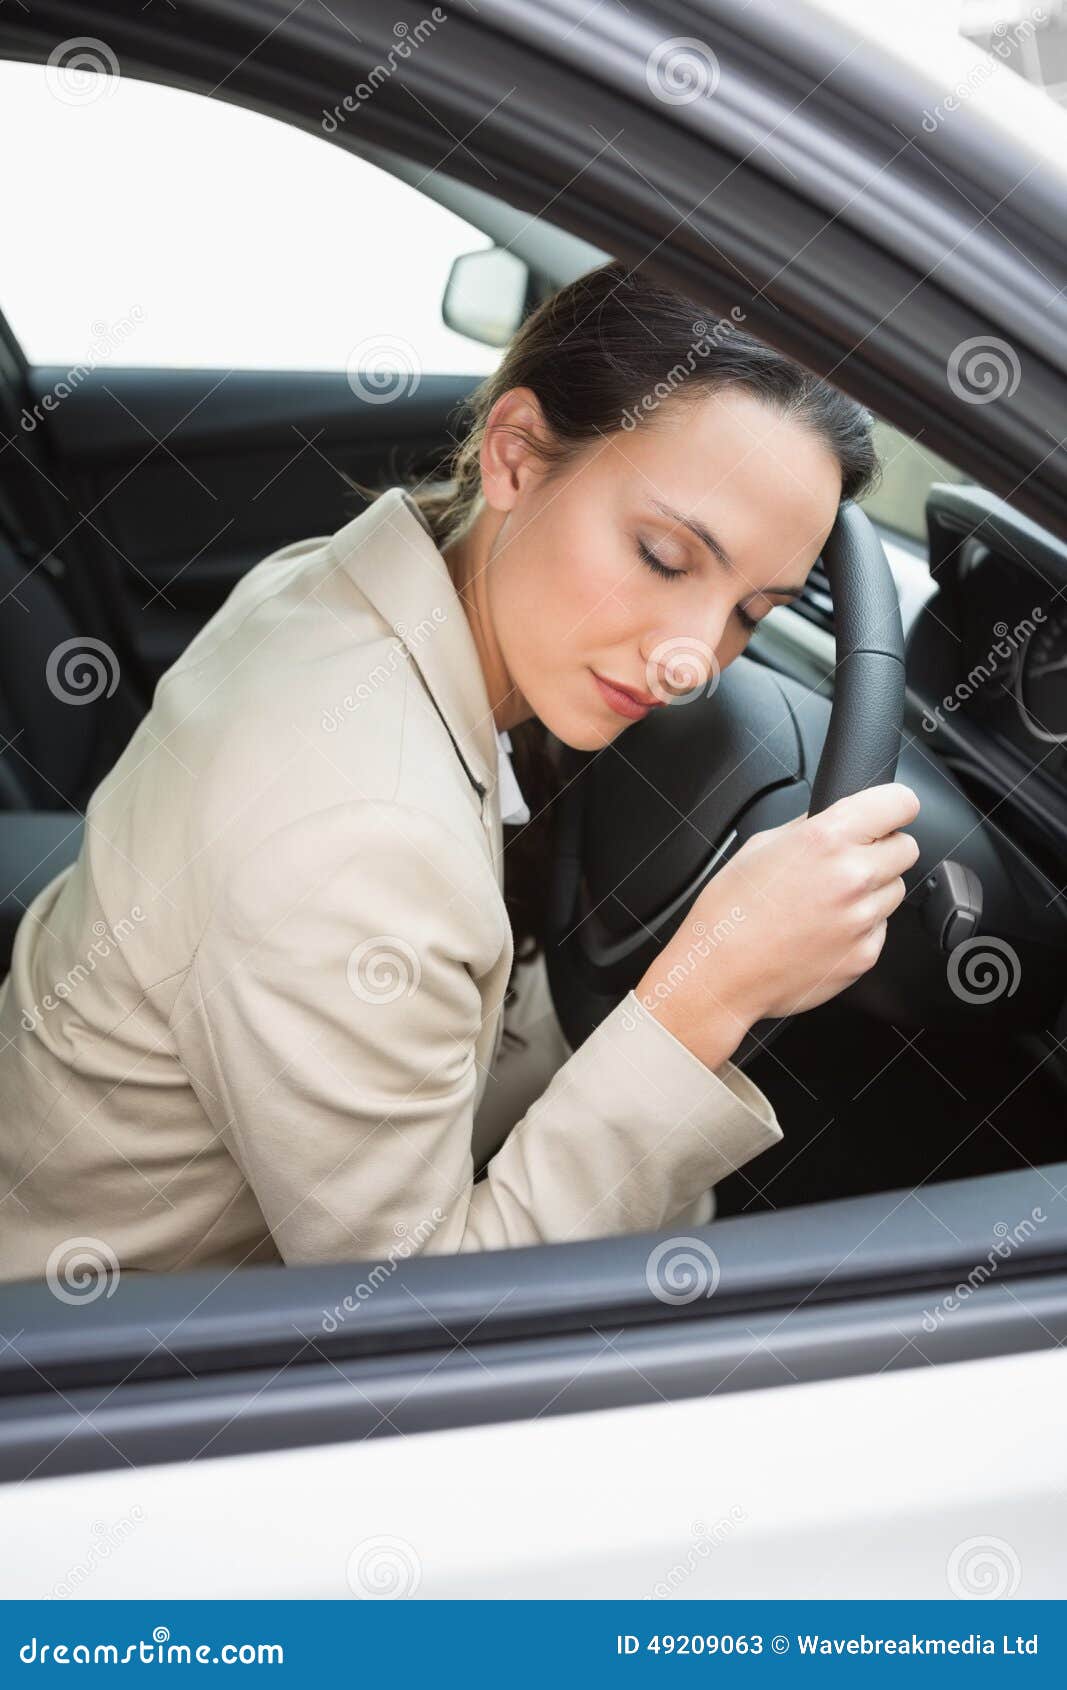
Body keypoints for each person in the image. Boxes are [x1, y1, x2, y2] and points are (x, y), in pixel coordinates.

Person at [0, 260, 919, 1283]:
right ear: (515, 456)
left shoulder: (326, 585)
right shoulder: (361, 834)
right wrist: (710, 987)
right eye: (662, 556)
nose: (692, 659)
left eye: (754, 610)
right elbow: (423, 1328)